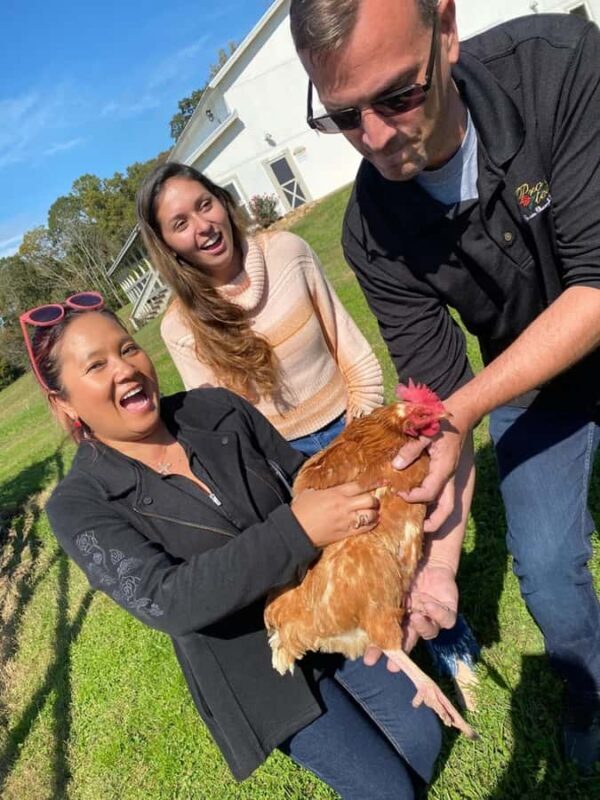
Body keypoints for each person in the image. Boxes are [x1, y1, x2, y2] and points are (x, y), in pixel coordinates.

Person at [289, 0, 600, 773]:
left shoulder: (558, 65)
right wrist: (437, 562)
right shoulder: (372, 229)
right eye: (344, 116)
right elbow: (440, 407)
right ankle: (591, 689)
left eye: (399, 95)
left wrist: (464, 409)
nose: (377, 137)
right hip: (525, 386)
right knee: (547, 572)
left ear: (446, 30)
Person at [24, 294, 441, 798]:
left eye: (128, 348)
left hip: (329, 601)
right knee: (388, 791)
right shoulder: (79, 504)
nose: (125, 368)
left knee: (423, 738)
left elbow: (307, 479)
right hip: (256, 668)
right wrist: (294, 531)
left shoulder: (215, 409)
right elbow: (167, 600)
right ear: (64, 403)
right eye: (96, 365)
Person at [136, 160, 481, 706]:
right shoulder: (181, 326)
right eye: (180, 223)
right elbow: (224, 422)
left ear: (223, 201)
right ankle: (388, 666)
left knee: (409, 534)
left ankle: (450, 639)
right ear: (167, 245)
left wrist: (356, 443)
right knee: (353, 574)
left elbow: (352, 350)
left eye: (204, 205)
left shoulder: (288, 253)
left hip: (352, 428)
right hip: (287, 467)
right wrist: (299, 482)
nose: (201, 226)